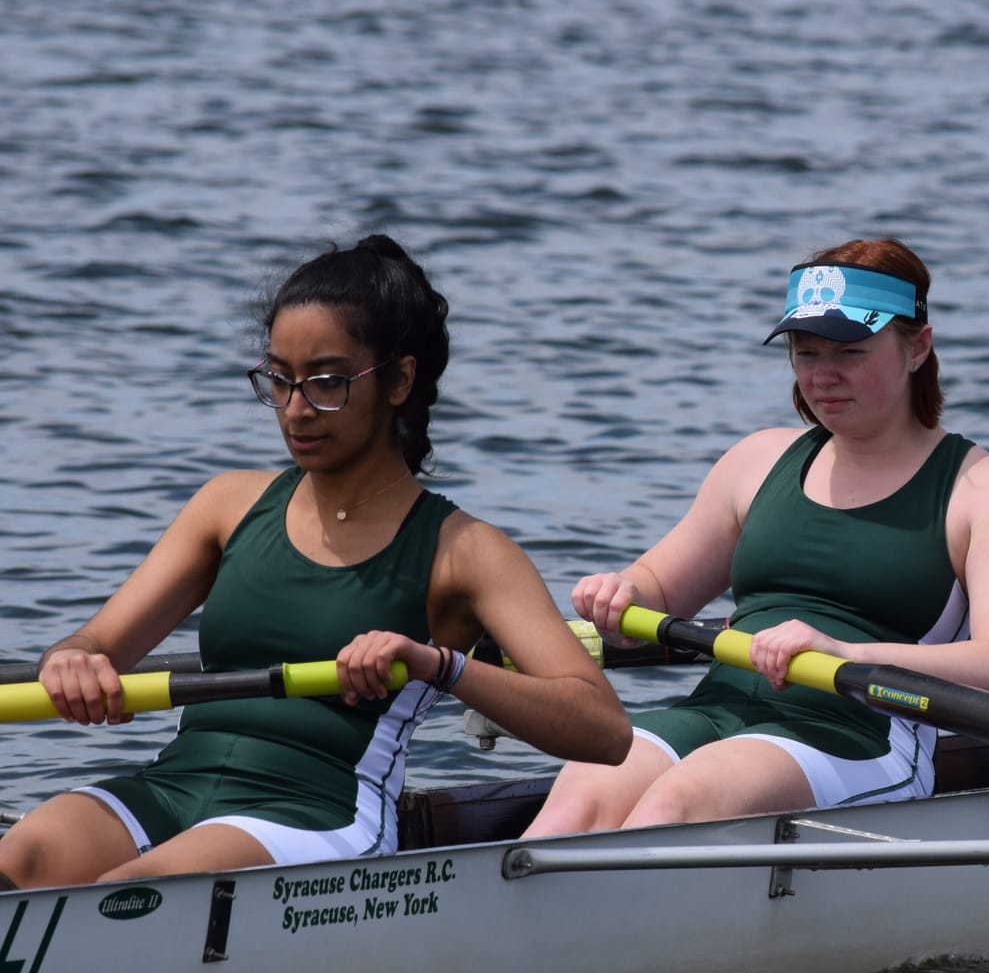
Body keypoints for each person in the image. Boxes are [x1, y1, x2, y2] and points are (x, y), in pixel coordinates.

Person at [0, 237, 631, 890]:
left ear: (399, 380)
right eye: (279, 379)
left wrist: (441, 665)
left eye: (327, 382)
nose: (296, 410)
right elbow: (96, 643)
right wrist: (71, 660)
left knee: (137, 890)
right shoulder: (226, 505)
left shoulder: (466, 550)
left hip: (317, 813)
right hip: (174, 783)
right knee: (17, 862)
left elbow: (604, 730)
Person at [523, 238, 989, 834]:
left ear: (917, 348)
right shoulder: (757, 460)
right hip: (717, 708)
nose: (823, 376)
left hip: (855, 732)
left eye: (850, 352)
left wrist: (844, 653)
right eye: (805, 352)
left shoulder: (988, 491)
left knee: (674, 806)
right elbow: (658, 588)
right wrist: (619, 592)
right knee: (577, 803)